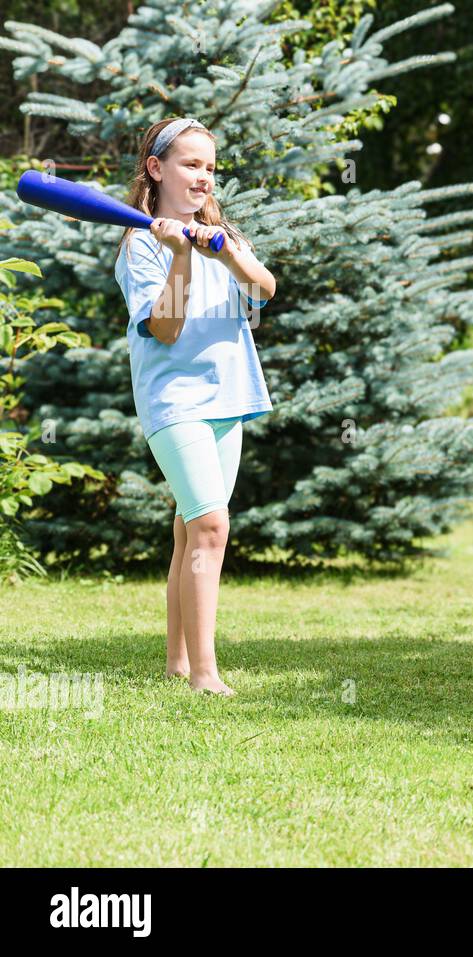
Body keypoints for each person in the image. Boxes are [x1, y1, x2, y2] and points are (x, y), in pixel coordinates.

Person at [113, 117, 276, 696]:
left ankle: (178, 665)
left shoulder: (224, 235)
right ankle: (206, 675)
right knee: (211, 526)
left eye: (209, 166)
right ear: (156, 170)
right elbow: (165, 326)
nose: (203, 176)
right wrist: (179, 256)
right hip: (176, 403)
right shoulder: (141, 246)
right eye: (190, 164)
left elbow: (263, 289)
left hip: (228, 398)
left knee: (190, 530)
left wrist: (225, 254)